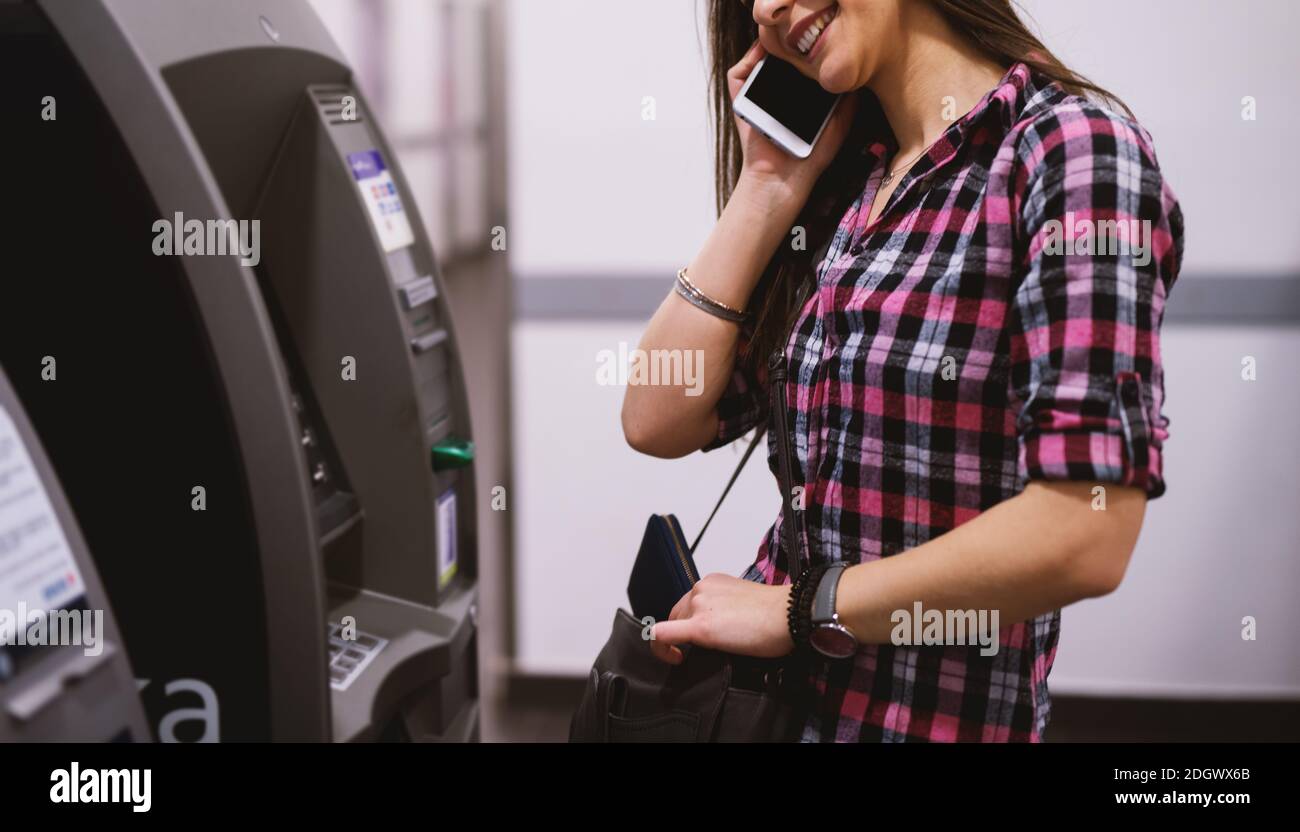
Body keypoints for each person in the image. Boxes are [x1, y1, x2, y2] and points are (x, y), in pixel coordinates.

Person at [620, 0, 1184, 742]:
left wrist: (802, 609)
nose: (762, 8)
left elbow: (1085, 528)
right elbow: (657, 417)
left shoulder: (1072, 151)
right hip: (775, 716)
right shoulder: (854, 182)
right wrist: (765, 184)